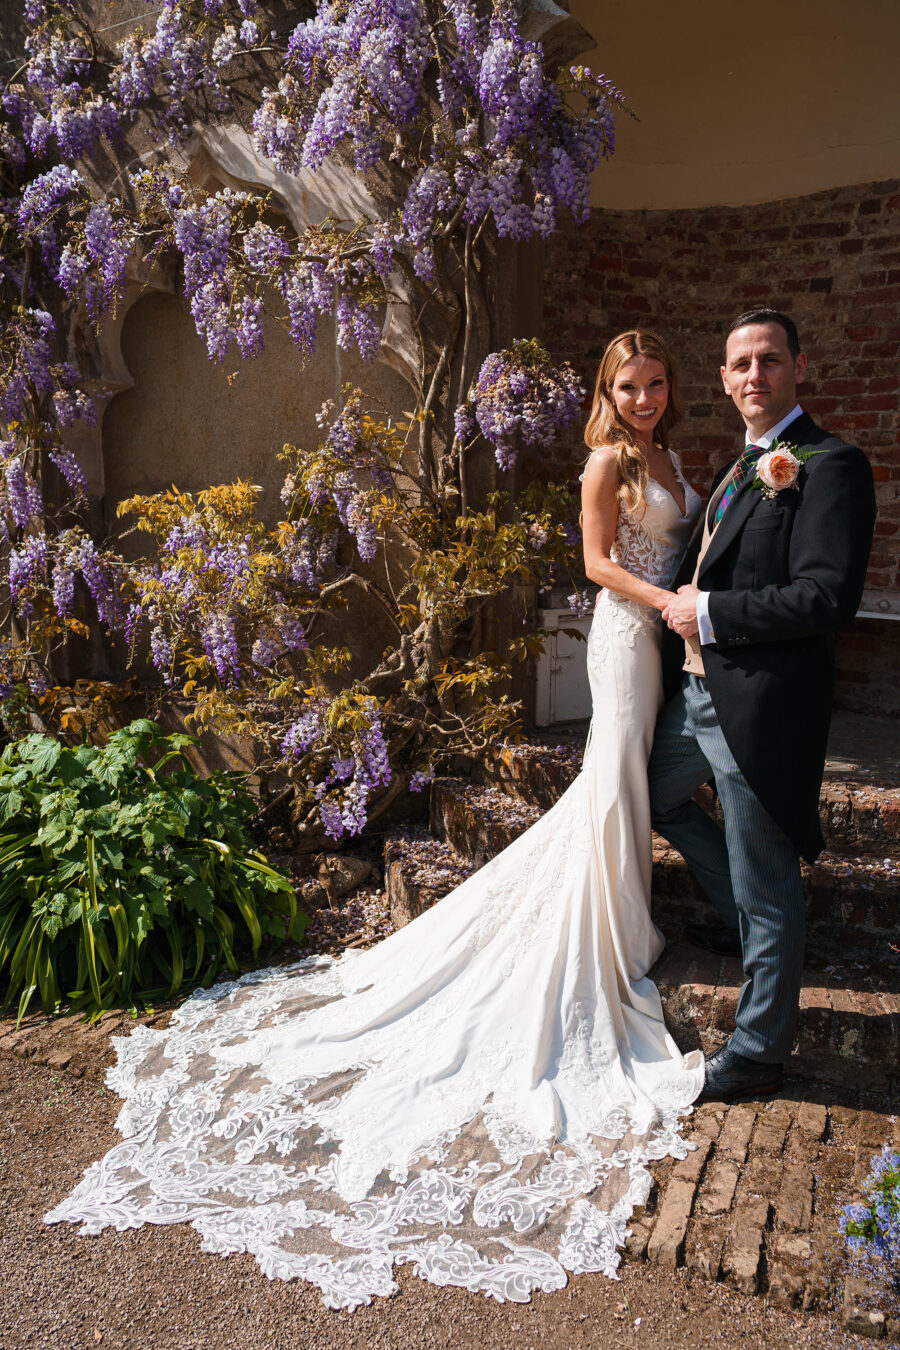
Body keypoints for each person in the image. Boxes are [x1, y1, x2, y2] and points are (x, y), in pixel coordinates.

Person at [46, 331, 705, 1310]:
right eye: (628, 384)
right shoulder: (606, 462)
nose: (644, 397)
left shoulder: (674, 460)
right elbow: (599, 564)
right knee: (609, 791)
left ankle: (616, 925)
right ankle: (597, 944)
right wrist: (669, 603)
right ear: (606, 391)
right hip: (627, 636)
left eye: (654, 384)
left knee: (622, 797)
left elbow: (691, 536)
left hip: (661, 642)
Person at [648, 308, 876, 1105]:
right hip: (695, 697)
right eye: (740, 363)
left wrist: (707, 613)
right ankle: (740, 920)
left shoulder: (828, 464)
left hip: (760, 708)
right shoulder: (736, 465)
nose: (754, 375)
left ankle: (759, 1049)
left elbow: (825, 597)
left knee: (768, 878)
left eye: (769, 360)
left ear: (797, 369)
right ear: (722, 378)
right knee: (648, 795)